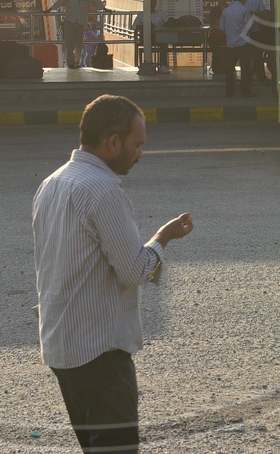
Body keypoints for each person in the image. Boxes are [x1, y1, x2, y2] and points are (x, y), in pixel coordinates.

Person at [32, 95, 194, 454]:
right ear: (114, 142)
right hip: (99, 352)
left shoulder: (53, 183)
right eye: (137, 145)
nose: (140, 154)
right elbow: (134, 270)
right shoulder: (103, 191)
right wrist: (163, 237)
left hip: (63, 346)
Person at [218, 0, 261, 97]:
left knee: (229, 69)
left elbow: (221, 27)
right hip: (243, 44)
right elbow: (249, 26)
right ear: (243, 0)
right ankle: (245, 91)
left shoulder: (226, 11)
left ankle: (229, 91)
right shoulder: (244, 10)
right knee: (245, 68)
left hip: (230, 44)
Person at [62, 0, 99, 69]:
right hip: (70, 22)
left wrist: (103, 8)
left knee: (79, 44)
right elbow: (59, 2)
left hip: (80, 23)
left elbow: (94, 1)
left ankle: (76, 62)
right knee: (70, 44)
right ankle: (70, 63)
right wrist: (50, 9)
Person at [130, 0, 169, 71]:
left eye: (154, 2)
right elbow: (134, 26)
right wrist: (144, 26)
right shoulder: (141, 14)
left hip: (158, 37)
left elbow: (168, 24)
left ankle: (163, 65)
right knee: (149, 36)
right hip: (146, 38)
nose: (152, 4)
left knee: (164, 43)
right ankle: (147, 64)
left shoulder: (161, 13)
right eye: (150, 2)